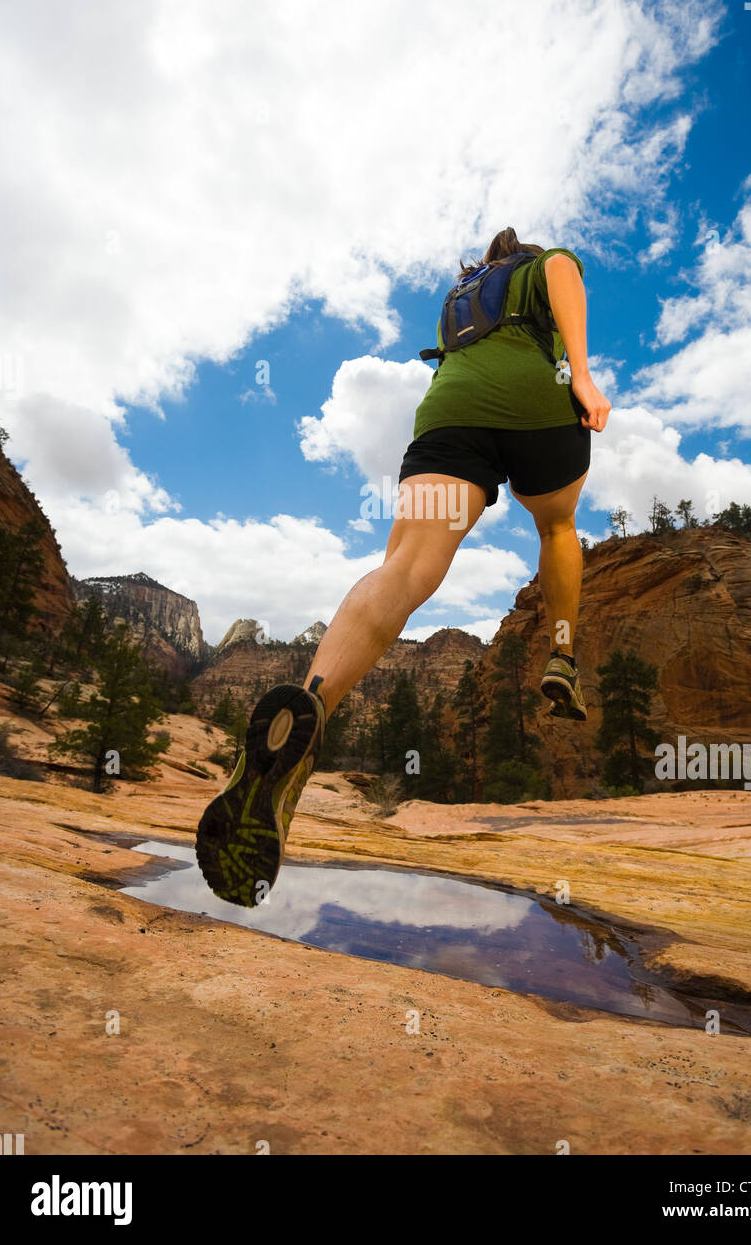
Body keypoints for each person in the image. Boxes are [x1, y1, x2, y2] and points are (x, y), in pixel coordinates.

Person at [196, 227, 611, 906]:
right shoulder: (534, 271)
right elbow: (564, 266)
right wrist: (583, 376)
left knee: (406, 567)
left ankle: (307, 711)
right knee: (558, 524)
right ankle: (562, 654)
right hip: (537, 405)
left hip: (450, 413)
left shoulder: (459, 302)